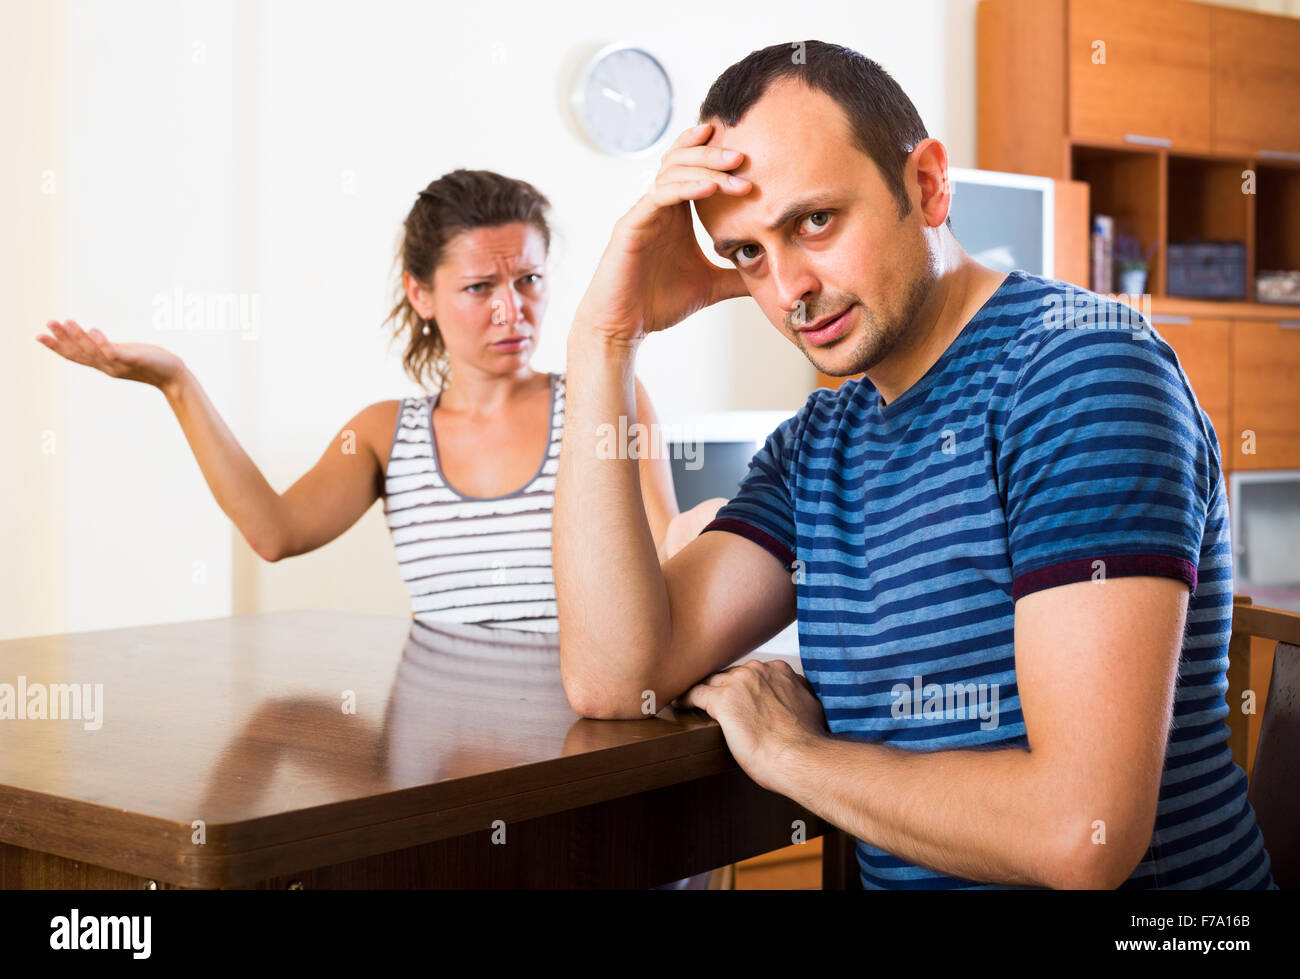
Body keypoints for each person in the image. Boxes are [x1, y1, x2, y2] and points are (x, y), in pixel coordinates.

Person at [553, 40, 1276, 889]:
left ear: (927, 185)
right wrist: (604, 341)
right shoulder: (824, 435)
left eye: (813, 221)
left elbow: (1081, 832)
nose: (788, 290)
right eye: (748, 251)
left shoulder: (1082, 371)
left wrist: (795, 754)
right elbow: (618, 675)